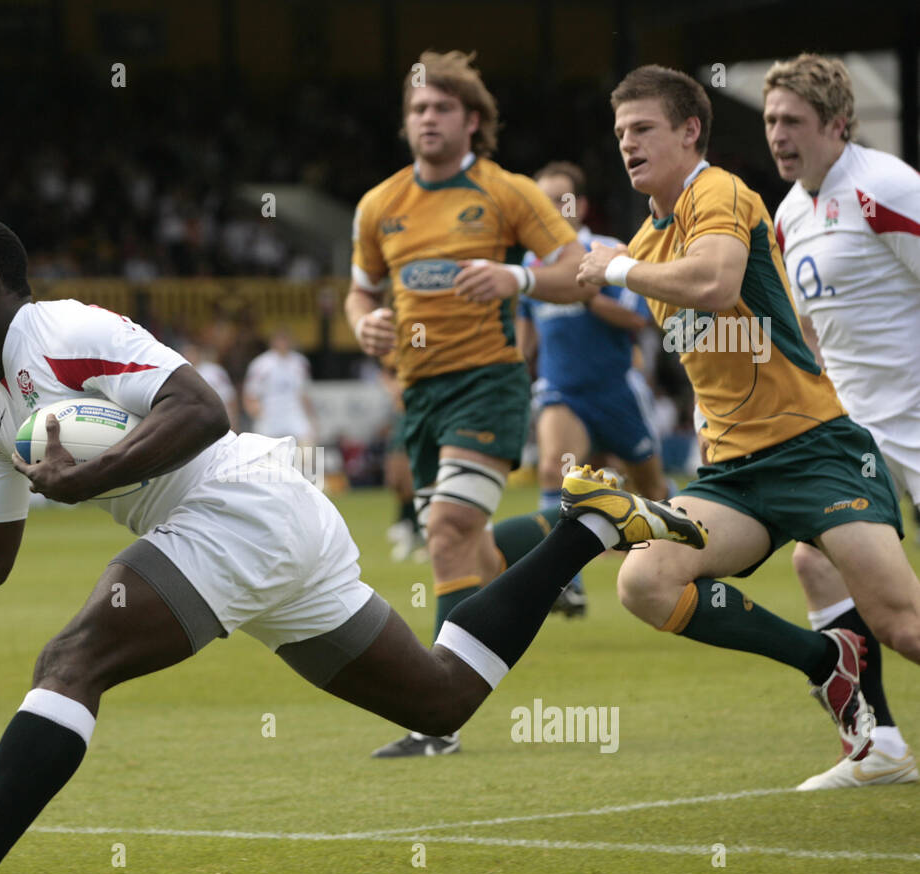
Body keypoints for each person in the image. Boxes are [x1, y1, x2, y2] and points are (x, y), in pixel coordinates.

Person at [0, 216, 706, 874]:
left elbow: (203, 406)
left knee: (71, 662)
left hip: (236, 505)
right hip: (254, 530)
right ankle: (585, 531)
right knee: (441, 697)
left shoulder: (61, 334)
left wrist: (88, 476)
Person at [577, 64, 920, 787]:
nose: (627, 145)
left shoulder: (722, 193)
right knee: (645, 578)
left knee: (904, 623)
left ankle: (871, 725)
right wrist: (509, 277)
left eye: (642, 129)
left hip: (819, 449)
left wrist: (616, 271)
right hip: (737, 472)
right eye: (619, 134)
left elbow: (714, 283)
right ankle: (833, 670)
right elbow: (605, 279)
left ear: (690, 131)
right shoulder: (650, 235)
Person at [347, 50, 595, 758]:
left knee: (450, 529)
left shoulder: (507, 192)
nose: (428, 118)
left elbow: (579, 273)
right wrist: (362, 321)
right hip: (419, 393)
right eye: (418, 108)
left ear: (472, 120)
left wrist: (516, 275)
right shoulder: (379, 205)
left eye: (443, 107)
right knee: (470, 546)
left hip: (488, 380)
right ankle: (580, 525)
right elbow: (359, 290)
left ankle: (437, 713)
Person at [763, 53, 920, 788]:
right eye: (769, 120)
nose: (777, 134)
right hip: (860, 431)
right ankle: (876, 741)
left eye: (792, 120)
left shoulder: (886, 186)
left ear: (837, 124)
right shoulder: (790, 212)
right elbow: (812, 329)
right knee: (815, 557)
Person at [517, 160, 670, 617]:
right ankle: (567, 584)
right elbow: (526, 340)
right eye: (540, 203)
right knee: (553, 471)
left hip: (616, 393)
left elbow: (638, 317)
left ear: (579, 205)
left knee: (652, 489)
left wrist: (585, 292)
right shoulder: (531, 265)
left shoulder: (607, 252)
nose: (550, 209)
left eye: (559, 200)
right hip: (561, 392)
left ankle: (677, 565)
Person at [241, 328, 316, 449]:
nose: (283, 343)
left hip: (294, 412)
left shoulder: (300, 362)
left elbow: (304, 393)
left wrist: (311, 418)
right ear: (272, 342)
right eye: (280, 340)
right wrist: (259, 415)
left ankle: (307, 468)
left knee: (308, 448)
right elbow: (250, 394)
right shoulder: (261, 364)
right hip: (270, 412)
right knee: (266, 456)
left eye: (285, 340)